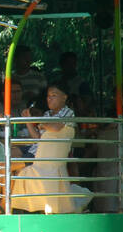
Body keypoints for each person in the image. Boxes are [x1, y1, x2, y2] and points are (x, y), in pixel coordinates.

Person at [12, 80, 90, 214]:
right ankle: (19, 205)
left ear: (64, 97)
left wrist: (42, 123)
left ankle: (6, 206)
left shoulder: (68, 112)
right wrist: (28, 120)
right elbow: (37, 137)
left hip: (43, 159)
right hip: (36, 151)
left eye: (54, 95)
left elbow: (56, 126)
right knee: (7, 155)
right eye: (48, 96)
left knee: (7, 166)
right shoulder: (47, 114)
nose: (49, 99)